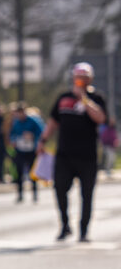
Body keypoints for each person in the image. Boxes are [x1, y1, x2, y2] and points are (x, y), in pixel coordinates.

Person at [38, 62, 108, 242]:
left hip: (87, 156)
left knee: (87, 194)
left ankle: (84, 230)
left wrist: (84, 98)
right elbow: (53, 121)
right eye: (77, 77)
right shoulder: (63, 98)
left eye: (83, 78)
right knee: (60, 189)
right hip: (64, 155)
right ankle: (65, 225)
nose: (79, 81)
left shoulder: (97, 97)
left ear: (89, 79)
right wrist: (43, 140)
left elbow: (100, 118)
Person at [9, 102, 44, 203]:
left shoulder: (33, 121)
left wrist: (33, 136)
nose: (20, 115)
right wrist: (13, 141)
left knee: (32, 173)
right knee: (19, 172)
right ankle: (20, 194)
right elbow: (12, 134)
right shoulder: (16, 122)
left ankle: (35, 194)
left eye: (21, 112)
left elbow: (42, 132)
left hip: (31, 150)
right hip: (20, 150)